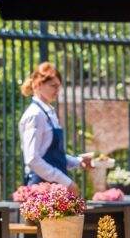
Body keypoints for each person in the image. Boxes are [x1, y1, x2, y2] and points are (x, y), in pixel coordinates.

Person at [18, 62, 91, 196]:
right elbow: (33, 159)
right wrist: (65, 181)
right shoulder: (35, 115)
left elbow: (53, 156)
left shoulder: (49, 113)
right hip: (41, 188)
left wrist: (78, 161)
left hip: (54, 188)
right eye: (53, 86)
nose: (57, 90)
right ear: (38, 84)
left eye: (59, 86)